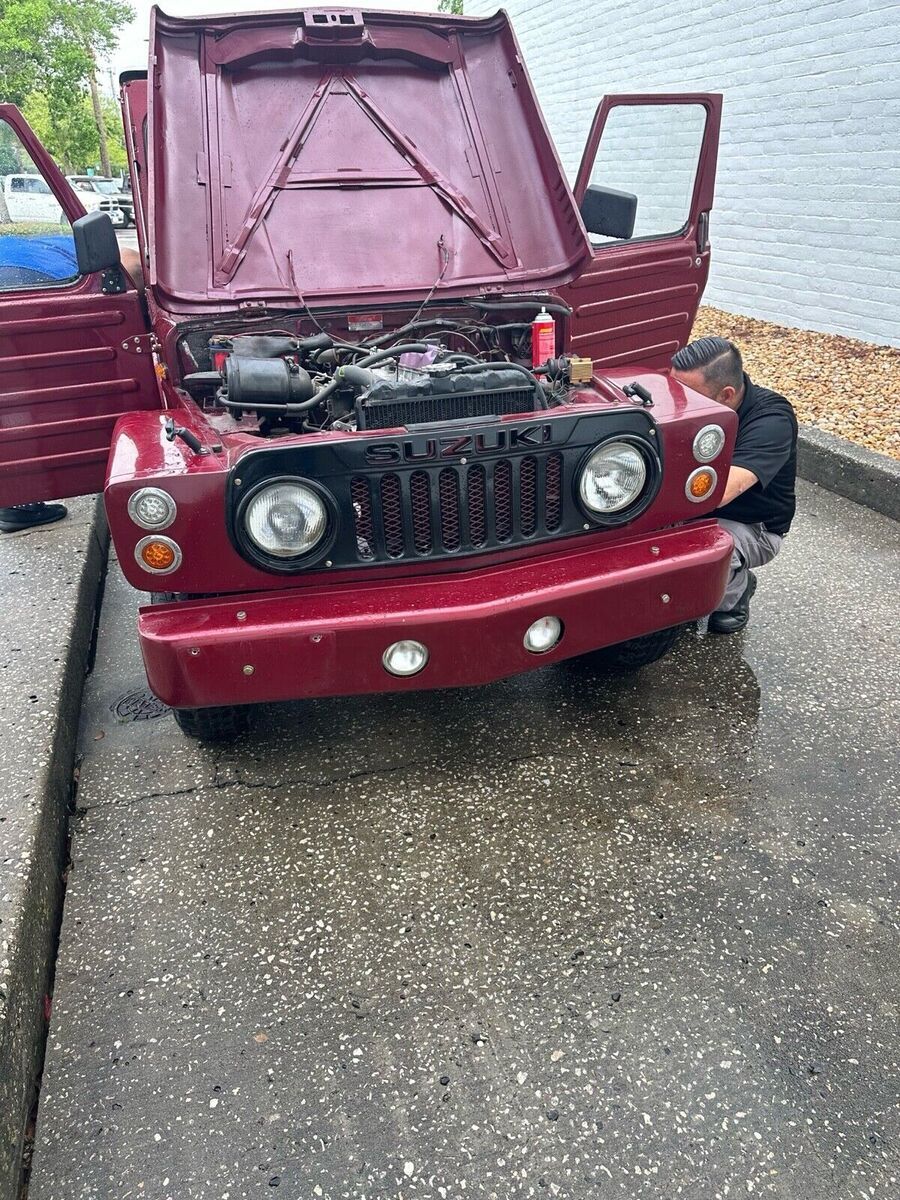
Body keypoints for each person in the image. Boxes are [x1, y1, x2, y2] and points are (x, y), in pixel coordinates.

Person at [0, 245, 145, 533]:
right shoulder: (124, 262)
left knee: (19, 393)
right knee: (60, 387)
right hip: (30, 288)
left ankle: (14, 501)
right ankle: (23, 497)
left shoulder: (60, 246)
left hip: (19, 283)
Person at [671, 337, 797, 634]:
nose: (676, 401)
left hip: (750, 525)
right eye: (673, 389)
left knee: (698, 554)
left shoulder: (771, 421)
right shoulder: (695, 403)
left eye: (686, 394)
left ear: (726, 395)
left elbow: (721, 492)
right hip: (692, 509)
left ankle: (735, 592)